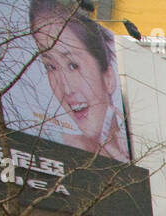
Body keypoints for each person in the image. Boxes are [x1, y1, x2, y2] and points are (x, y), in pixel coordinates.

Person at [28, 0, 129, 162]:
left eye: (73, 65)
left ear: (109, 77)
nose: (66, 89)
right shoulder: (48, 147)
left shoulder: (128, 150)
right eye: (50, 67)